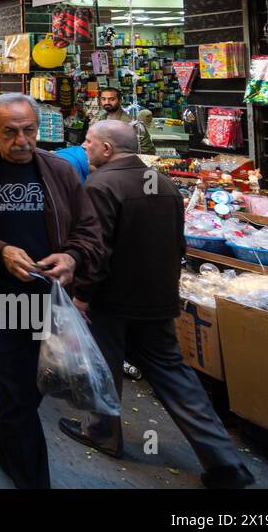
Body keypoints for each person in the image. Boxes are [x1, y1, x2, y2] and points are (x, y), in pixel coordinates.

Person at [61, 120, 255, 488]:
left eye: (88, 143)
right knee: (176, 377)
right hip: (158, 298)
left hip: (112, 299)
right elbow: (177, 245)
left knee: (103, 367)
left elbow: (96, 251)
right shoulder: (161, 183)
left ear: (106, 149)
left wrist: (83, 294)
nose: (83, 149)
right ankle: (226, 463)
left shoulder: (100, 185)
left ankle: (103, 433)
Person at [0, 93, 104, 489]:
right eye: (10, 132)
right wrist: (0, 252)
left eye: (28, 130)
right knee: (18, 386)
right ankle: (34, 480)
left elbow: (88, 230)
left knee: (29, 389)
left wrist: (72, 259)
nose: (22, 141)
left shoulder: (59, 172)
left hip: (49, 298)